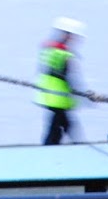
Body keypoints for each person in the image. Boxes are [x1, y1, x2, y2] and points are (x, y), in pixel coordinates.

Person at [36, 16, 84, 145]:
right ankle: (81, 150)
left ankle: (76, 147)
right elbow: (68, 77)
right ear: (66, 35)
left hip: (49, 95)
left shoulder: (48, 49)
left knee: (57, 127)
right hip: (60, 97)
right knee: (64, 126)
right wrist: (83, 95)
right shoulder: (63, 54)